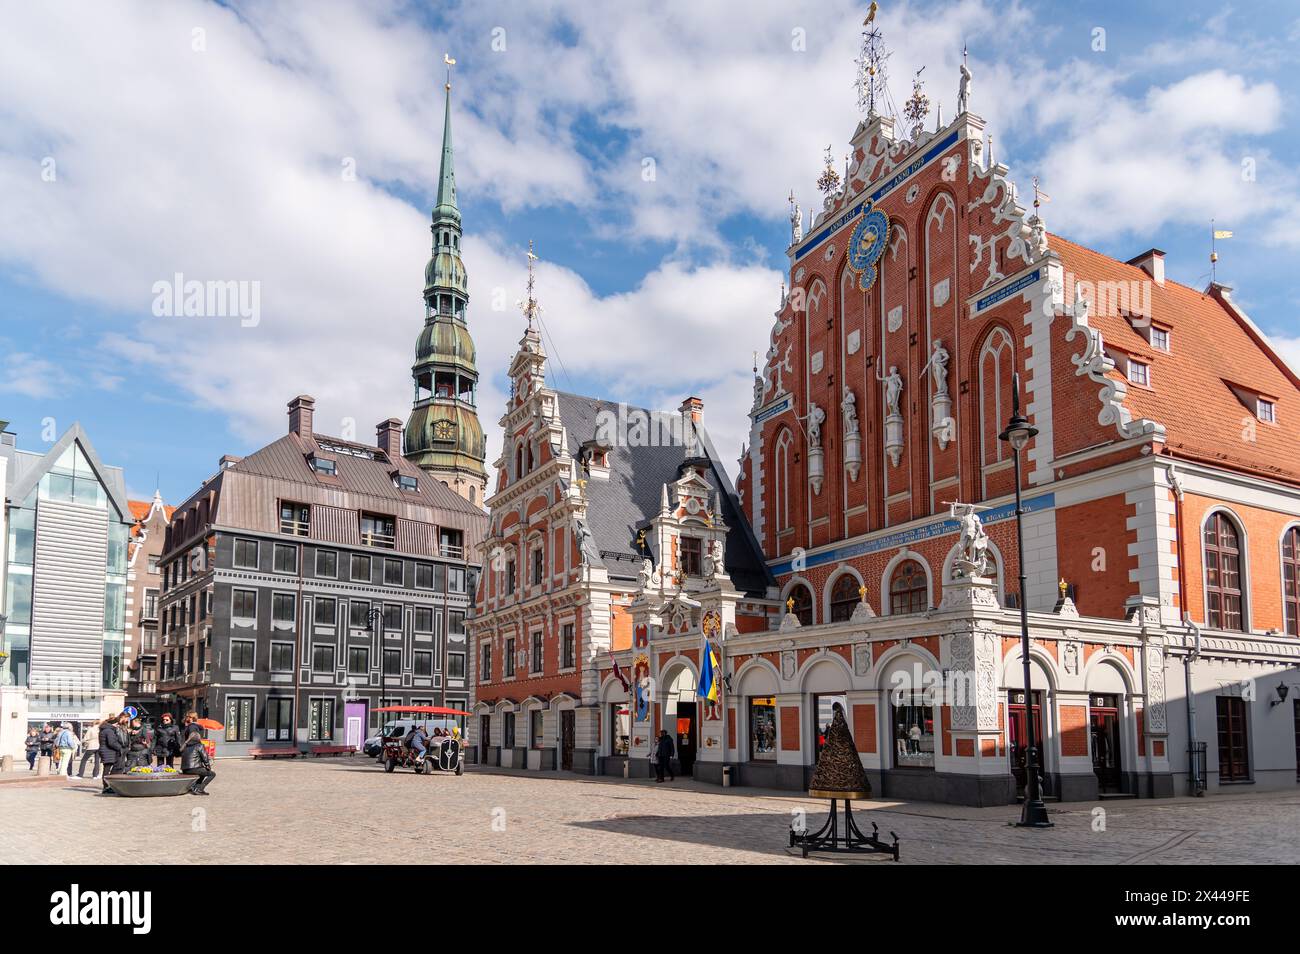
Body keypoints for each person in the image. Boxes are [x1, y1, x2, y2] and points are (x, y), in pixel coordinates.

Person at [180, 712, 215, 795]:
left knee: (202, 773)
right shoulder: (199, 745)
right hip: (194, 768)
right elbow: (205, 758)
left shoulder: (186, 746)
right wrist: (208, 766)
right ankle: (199, 788)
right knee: (211, 774)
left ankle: (195, 787)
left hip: (185, 769)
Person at [98, 714, 126, 794]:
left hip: (106, 751)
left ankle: (107, 786)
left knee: (106, 770)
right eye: (116, 723)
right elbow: (111, 743)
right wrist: (120, 747)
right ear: (113, 723)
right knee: (107, 770)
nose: (117, 725)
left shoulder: (105, 729)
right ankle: (106, 787)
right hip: (108, 752)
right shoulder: (109, 731)